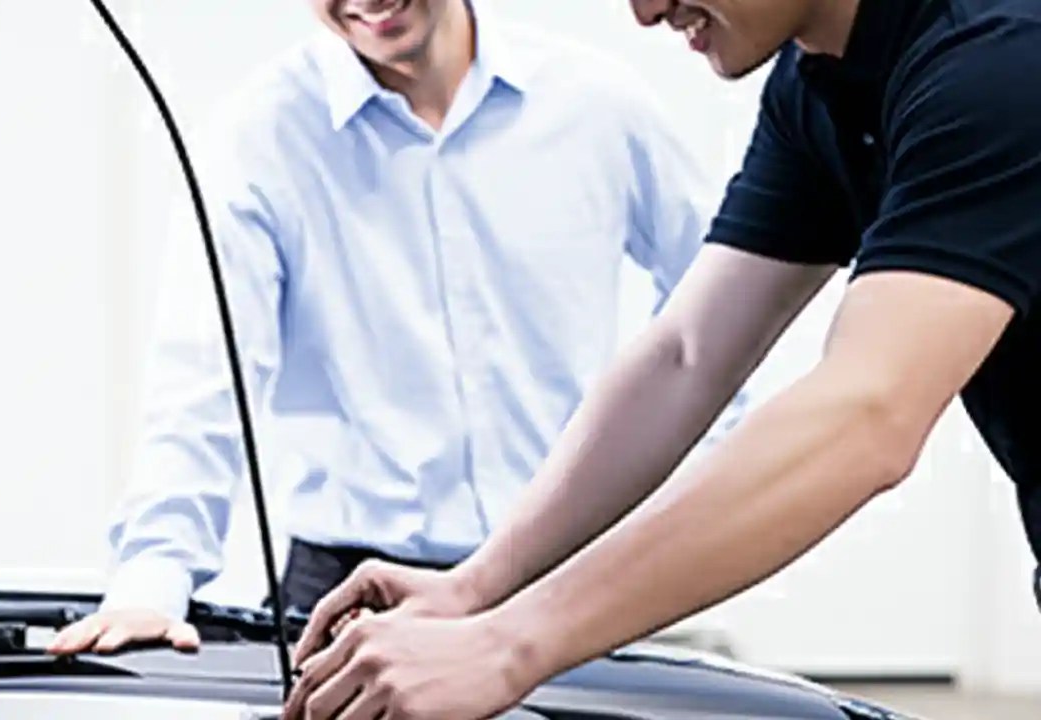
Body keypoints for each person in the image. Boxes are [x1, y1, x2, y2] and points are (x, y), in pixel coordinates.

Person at [281, 0, 1041, 717]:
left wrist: (512, 646)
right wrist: (478, 587)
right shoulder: (816, 84)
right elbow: (687, 355)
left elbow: (866, 415)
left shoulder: (1001, 61)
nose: (644, 10)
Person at [47, 0, 740, 656]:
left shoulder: (598, 105)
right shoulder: (258, 135)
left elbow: (724, 314)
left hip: (568, 583)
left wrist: (679, 512)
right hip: (351, 601)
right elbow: (206, 378)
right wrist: (152, 582)